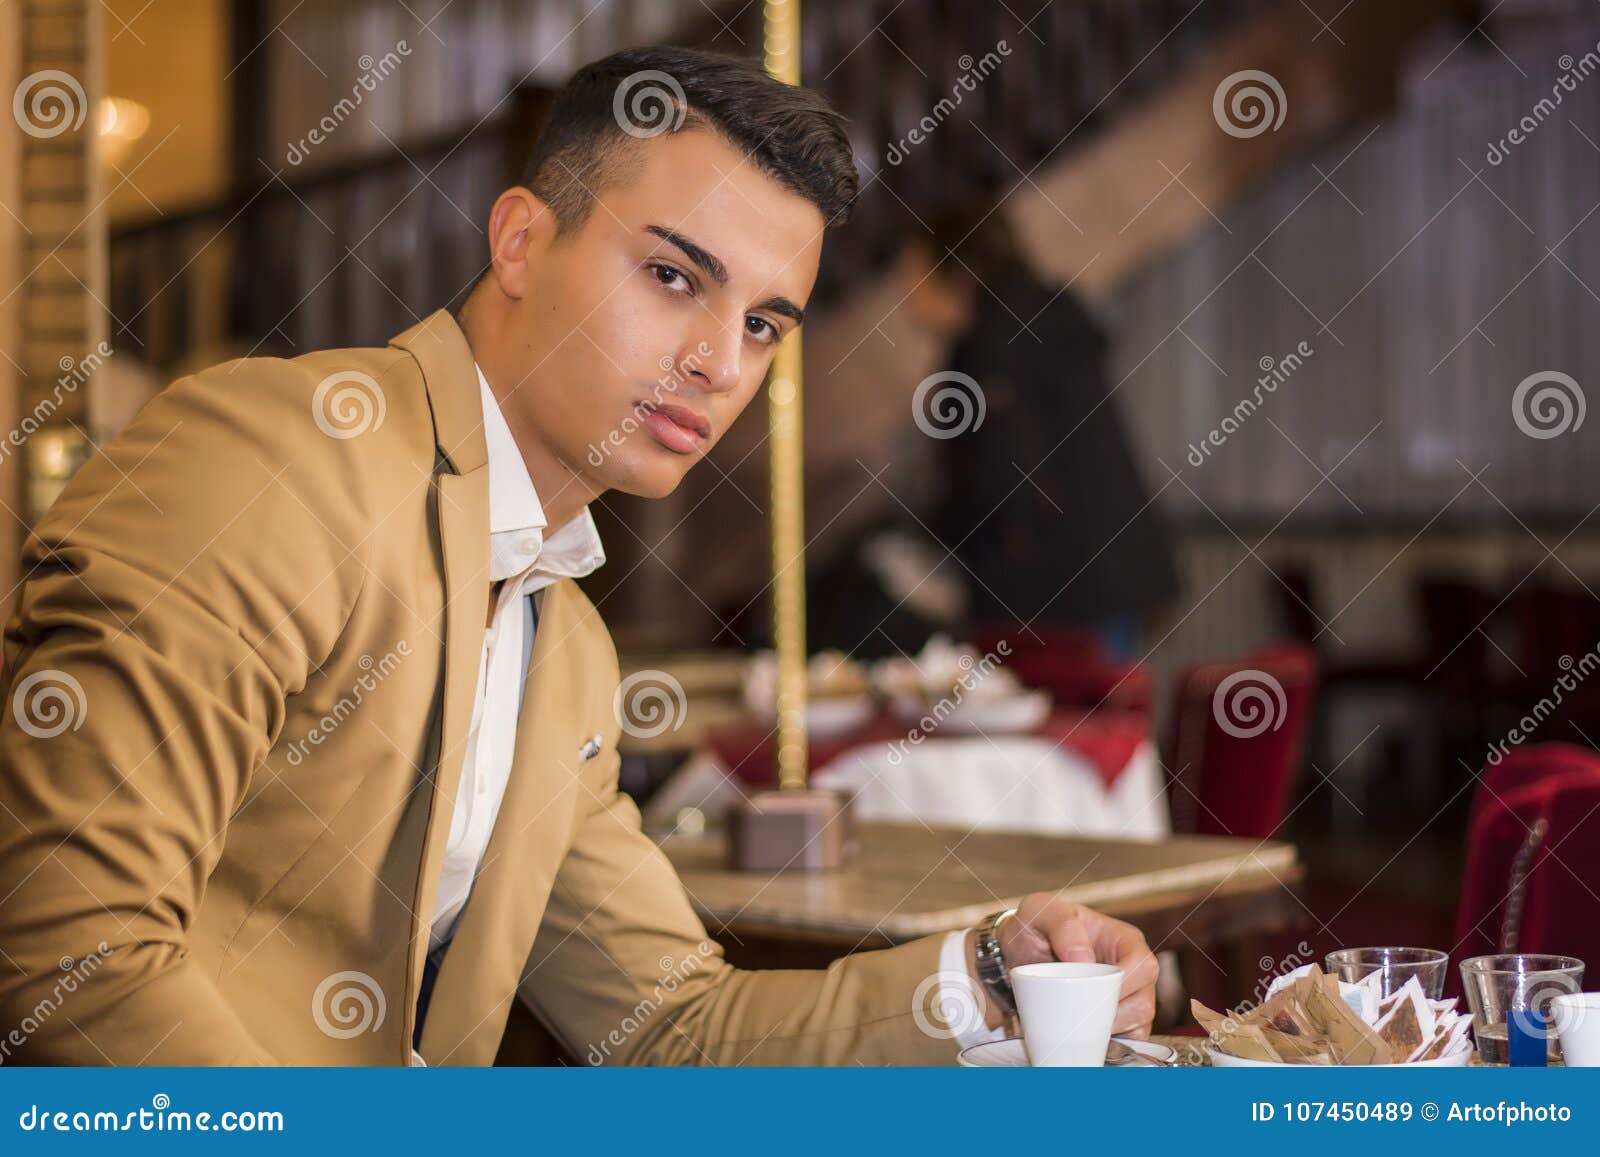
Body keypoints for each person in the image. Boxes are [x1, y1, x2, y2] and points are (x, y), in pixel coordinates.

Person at [0, 46, 1156, 1066]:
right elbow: (72, 956)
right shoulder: (277, 461)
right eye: (671, 275)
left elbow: (665, 1026)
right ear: (518, 239)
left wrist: (984, 975)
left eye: (761, 323)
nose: (719, 361)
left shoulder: (564, 649)